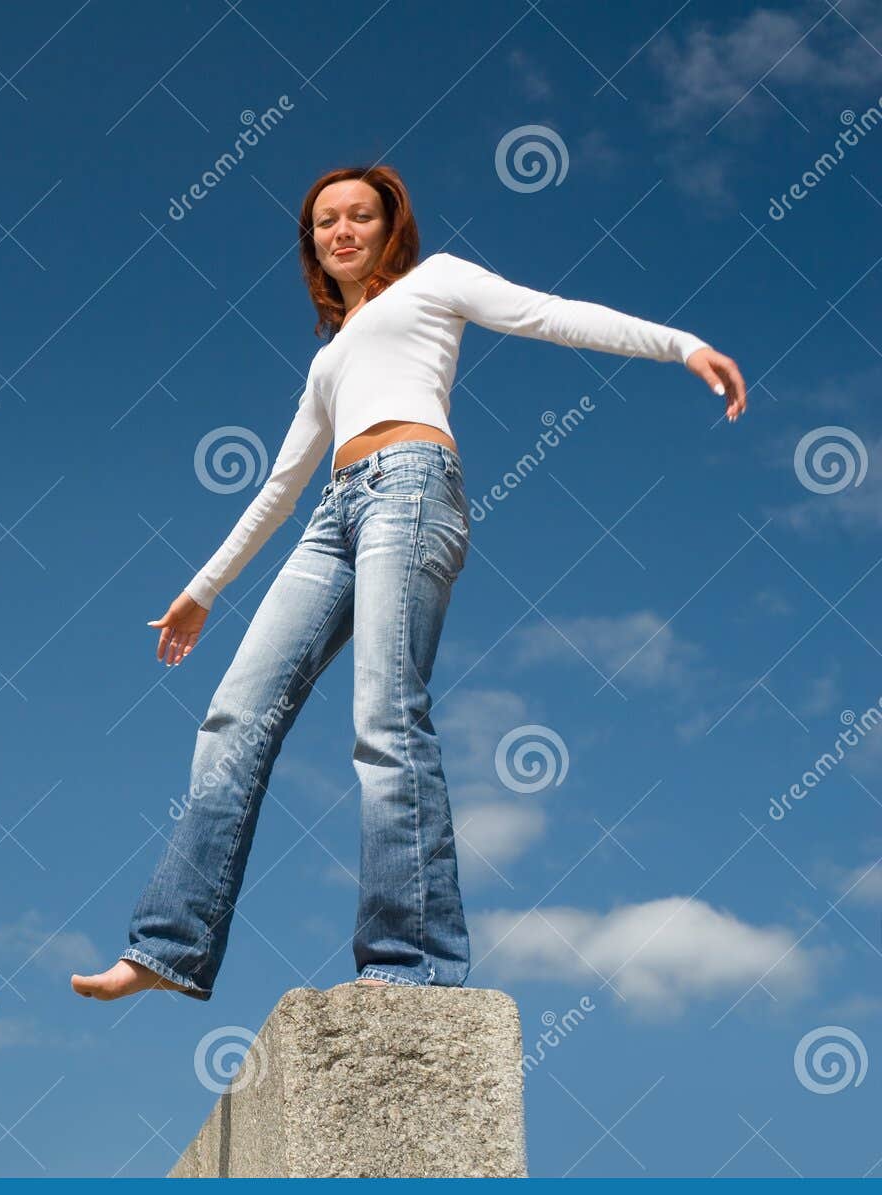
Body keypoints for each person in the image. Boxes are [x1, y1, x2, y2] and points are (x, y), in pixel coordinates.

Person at [72, 164, 747, 1003]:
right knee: (233, 715)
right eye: (326, 222)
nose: (343, 230)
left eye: (361, 215)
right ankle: (169, 946)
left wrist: (681, 345)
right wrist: (203, 588)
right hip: (331, 517)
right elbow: (281, 485)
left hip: (413, 489)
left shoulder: (438, 281)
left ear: (392, 228)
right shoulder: (327, 361)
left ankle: (411, 961)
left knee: (385, 718)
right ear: (312, 244)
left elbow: (552, 314)